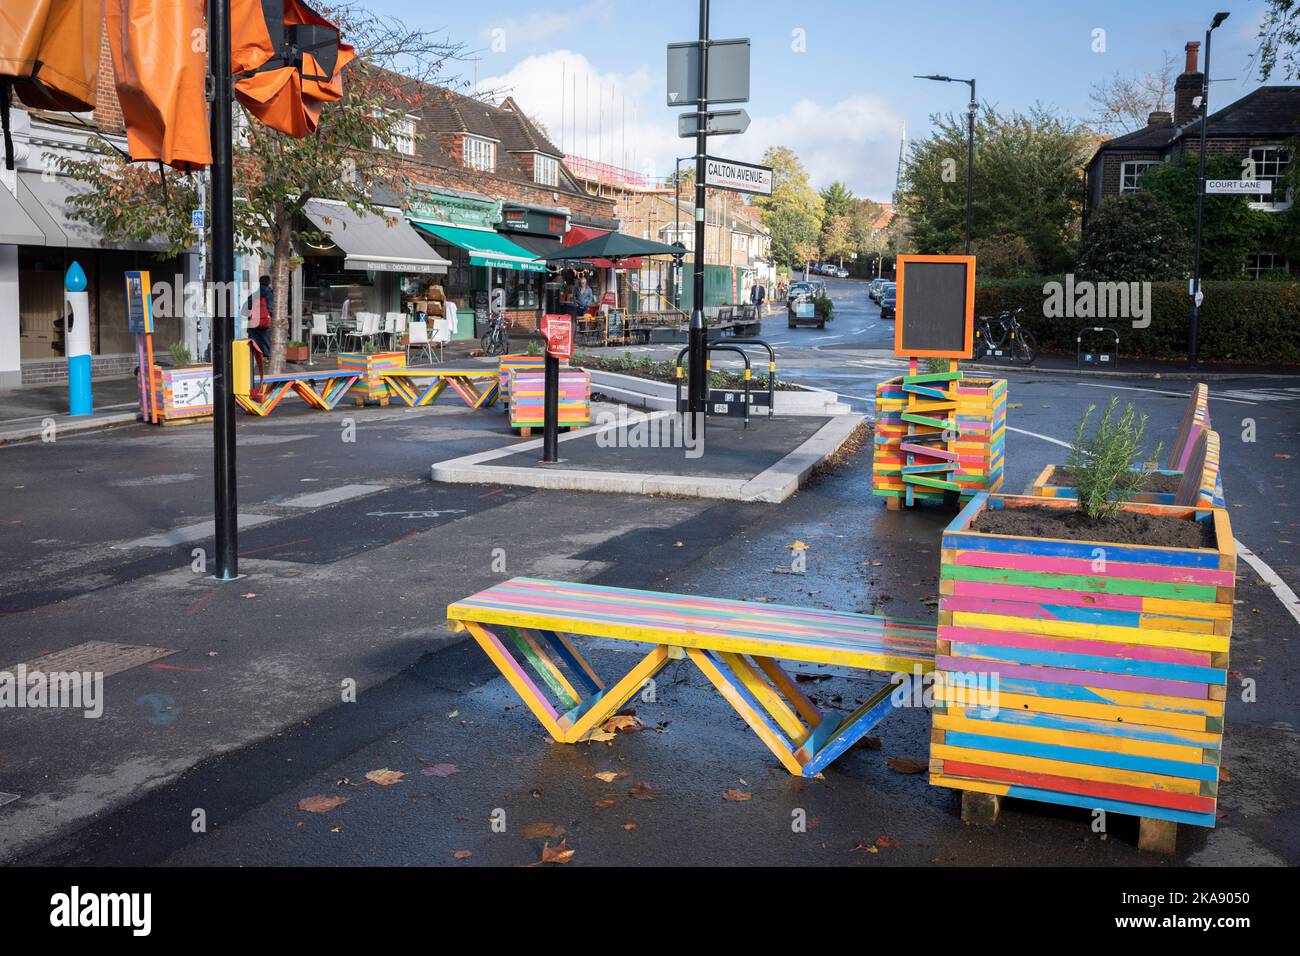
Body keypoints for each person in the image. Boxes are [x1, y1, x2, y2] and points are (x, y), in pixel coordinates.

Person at [244, 275, 274, 361]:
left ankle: (254, 358)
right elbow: (271, 308)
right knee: (266, 340)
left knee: (254, 340)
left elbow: (245, 309)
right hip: (265, 322)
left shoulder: (254, 295)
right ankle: (266, 358)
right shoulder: (270, 294)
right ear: (269, 282)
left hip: (254, 322)